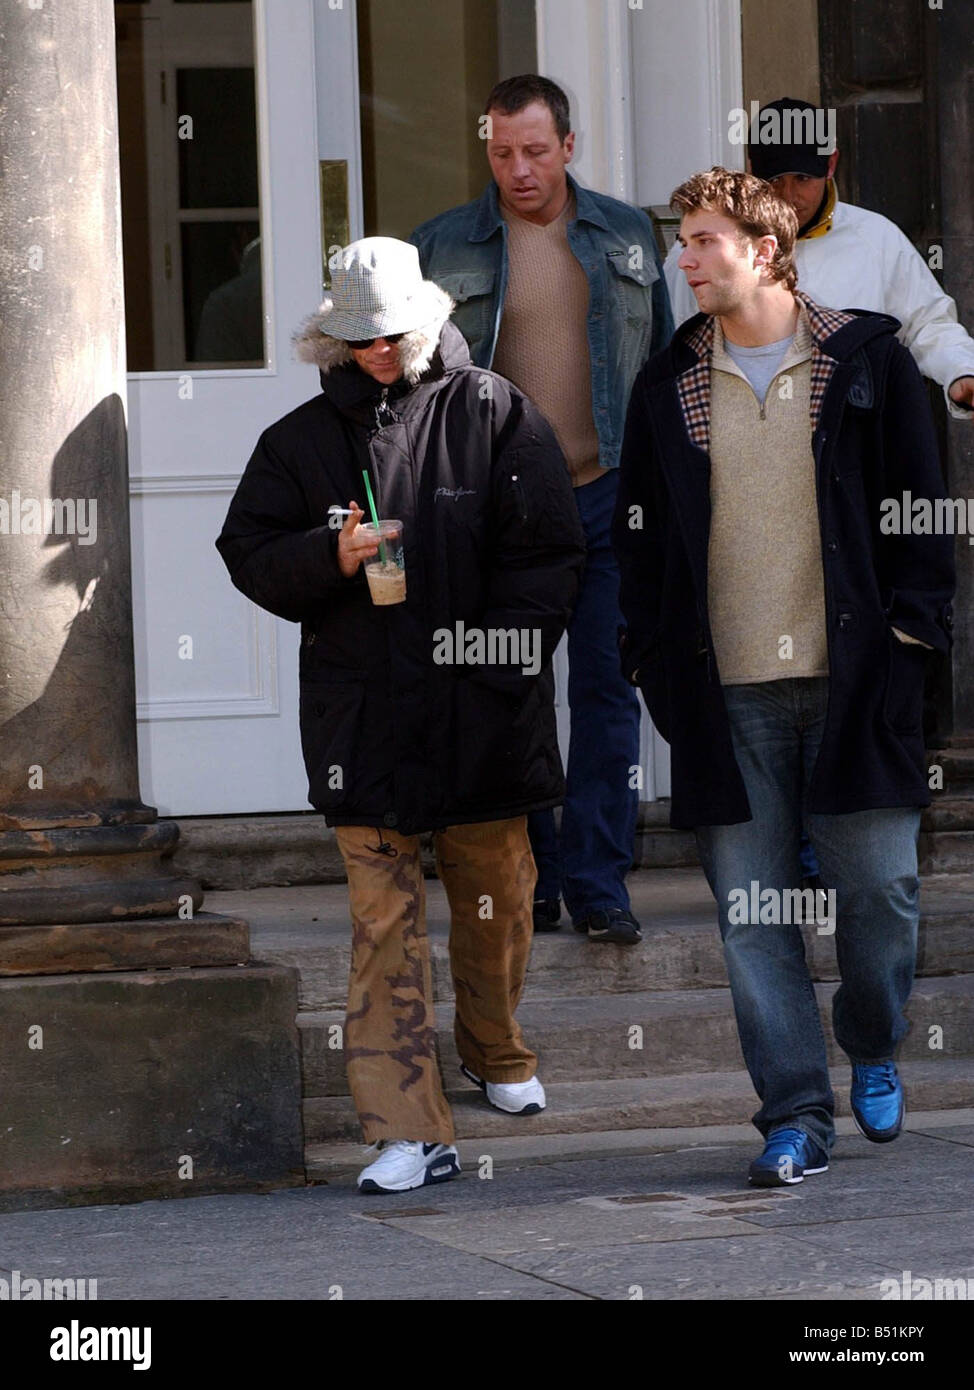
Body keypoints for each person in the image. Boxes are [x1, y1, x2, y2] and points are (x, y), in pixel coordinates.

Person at [215, 237, 585, 1194]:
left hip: (483, 712)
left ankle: (495, 1050)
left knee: (496, 901)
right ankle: (406, 1128)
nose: (379, 351)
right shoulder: (295, 441)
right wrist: (330, 558)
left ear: (430, 322)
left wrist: (496, 668)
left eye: (392, 334)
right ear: (332, 340)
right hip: (364, 719)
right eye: (359, 337)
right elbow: (247, 552)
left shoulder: (499, 412)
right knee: (384, 923)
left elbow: (548, 559)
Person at [613, 168, 955, 1187]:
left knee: (881, 895)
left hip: (856, 686)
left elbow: (921, 518)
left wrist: (908, 640)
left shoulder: (866, 358)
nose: (682, 259)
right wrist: (646, 656)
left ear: (763, 250)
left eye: (701, 241)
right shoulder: (667, 381)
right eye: (681, 241)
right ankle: (794, 1113)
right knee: (749, 915)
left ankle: (873, 1033)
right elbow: (637, 543)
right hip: (724, 701)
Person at [410, 74, 673, 947]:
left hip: (610, 498)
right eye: (500, 153)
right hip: (503, 512)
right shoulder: (442, 245)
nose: (518, 170)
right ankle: (540, 878)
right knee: (511, 694)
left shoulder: (628, 233)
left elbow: (666, 370)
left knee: (607, 694)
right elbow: (412, 388)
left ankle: (601, 884)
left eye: (534, 150)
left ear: (568, 145)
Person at [663, 98, 974, 421]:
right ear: (752, 171)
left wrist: (962, 371)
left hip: (856, 439)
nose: (788, 196)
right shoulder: (697, 253)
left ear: (830, 164)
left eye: (802, 178)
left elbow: (928, 324)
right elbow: (673, 345)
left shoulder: (877, 238)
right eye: (775, 181)